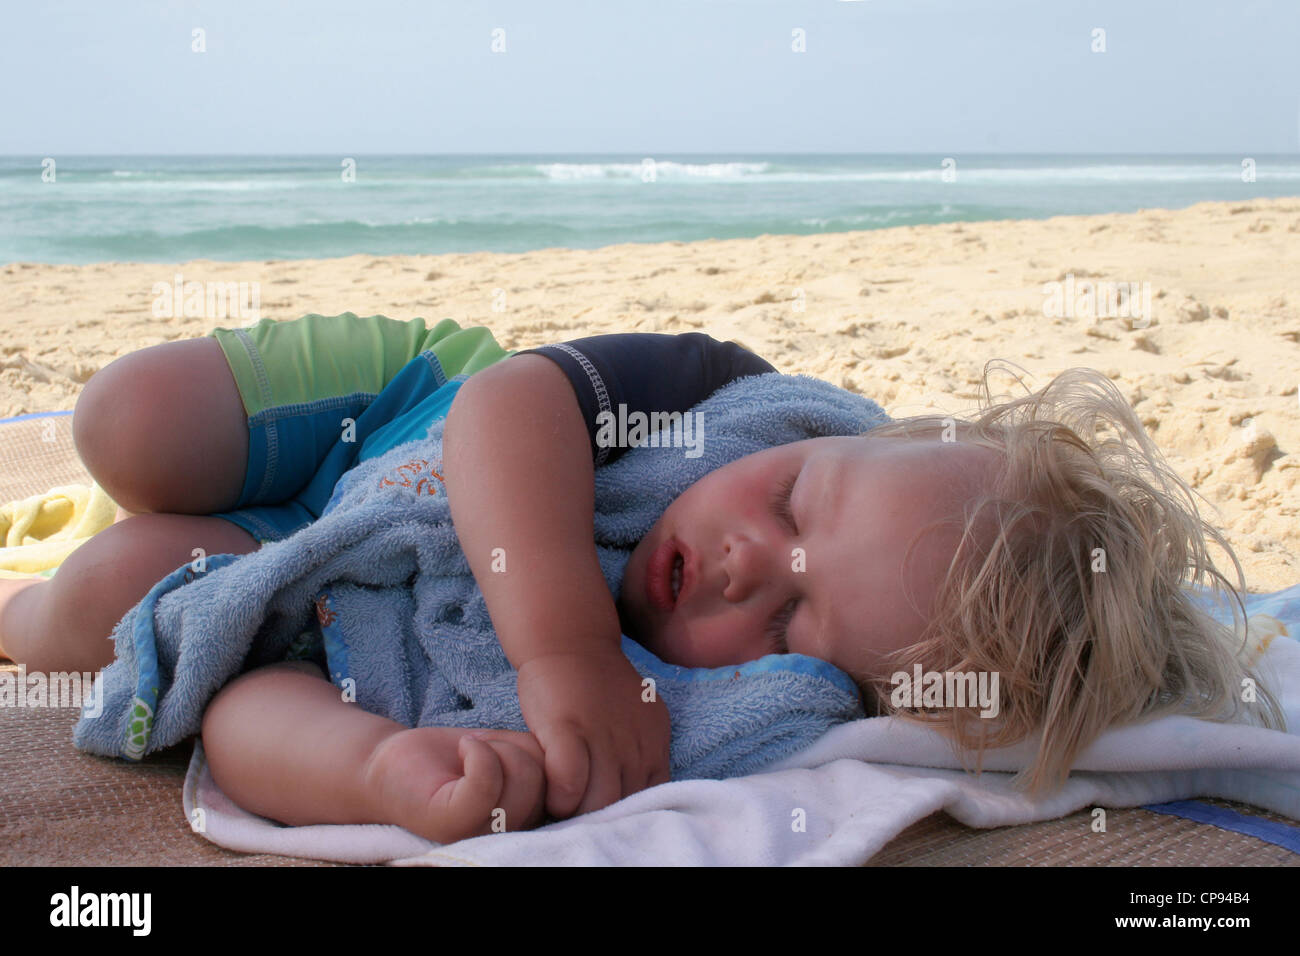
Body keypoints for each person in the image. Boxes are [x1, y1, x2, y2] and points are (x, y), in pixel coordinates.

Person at [0, 313, 1283, 844]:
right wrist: (563, 642)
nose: (740, 561)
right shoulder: (739, 398)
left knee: (94, 606)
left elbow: (239, 707)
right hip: (389, 421)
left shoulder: (711, 721)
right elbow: (513, 403)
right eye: (789, 507)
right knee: (131, 421)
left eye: (789, 615)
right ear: (823, 444)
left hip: (313, 582)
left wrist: (374, 768)